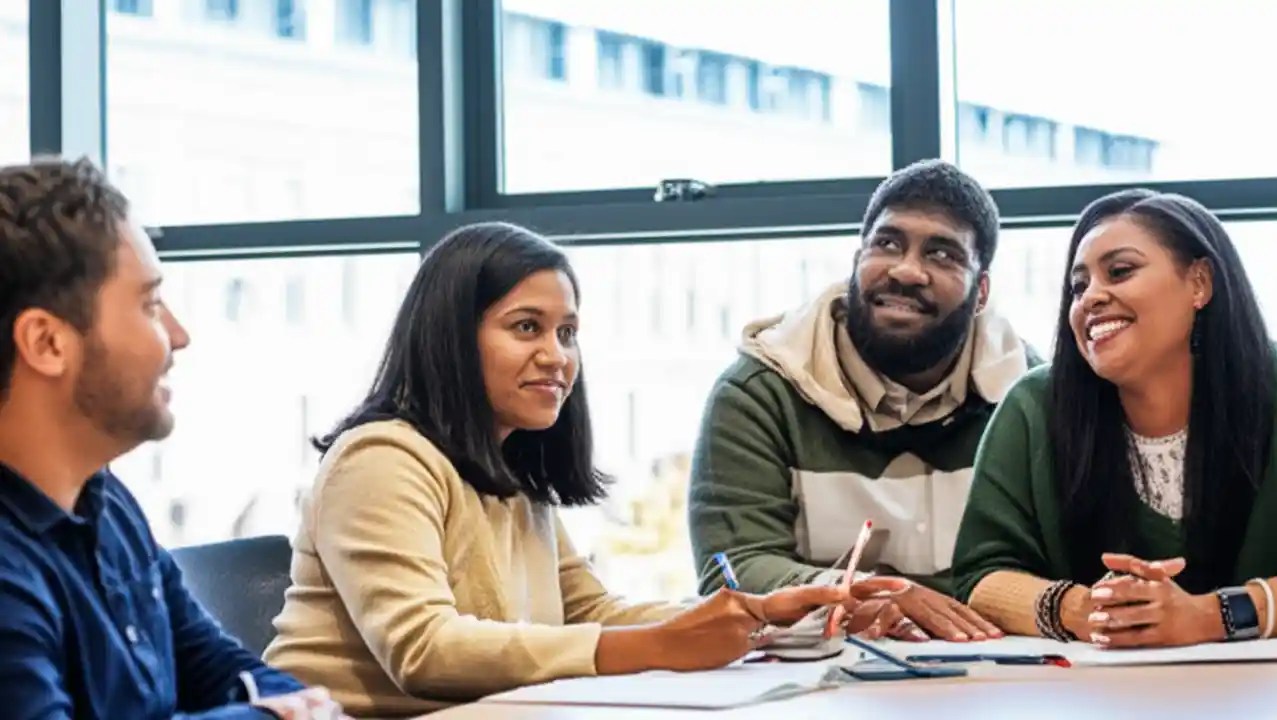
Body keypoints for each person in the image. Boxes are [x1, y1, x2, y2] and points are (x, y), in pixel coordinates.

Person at [263, 222, 905, 716]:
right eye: (526, 328)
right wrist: (662, 646)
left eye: (567, 333)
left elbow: (589, 612)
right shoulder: (381, 458)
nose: (557, 357)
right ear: (451, 337)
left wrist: (758, 617)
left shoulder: (507, 470)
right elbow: (425, 650)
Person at [0, 158, 344, 718]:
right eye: (150, 305)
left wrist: (300, 707)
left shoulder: (107, 507)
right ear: (47, 342)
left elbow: (212, 664)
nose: (178, 337)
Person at [688, 159, 1040, 642]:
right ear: (857, 260)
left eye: (942, 255)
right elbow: (731, 571)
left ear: (981, 293)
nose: (906, 270)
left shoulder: (1031, 395)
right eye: (887, 243)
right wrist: (867, 593)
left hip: (1002, 679)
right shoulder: (760, 392)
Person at [952, 189, 1277, 648]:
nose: (1091, 298)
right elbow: (980, 576)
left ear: (1200, 282)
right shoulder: (1034, 405)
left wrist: (1210, 615)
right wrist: (1087, 609)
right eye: (1078, 286)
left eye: (1120, 271)